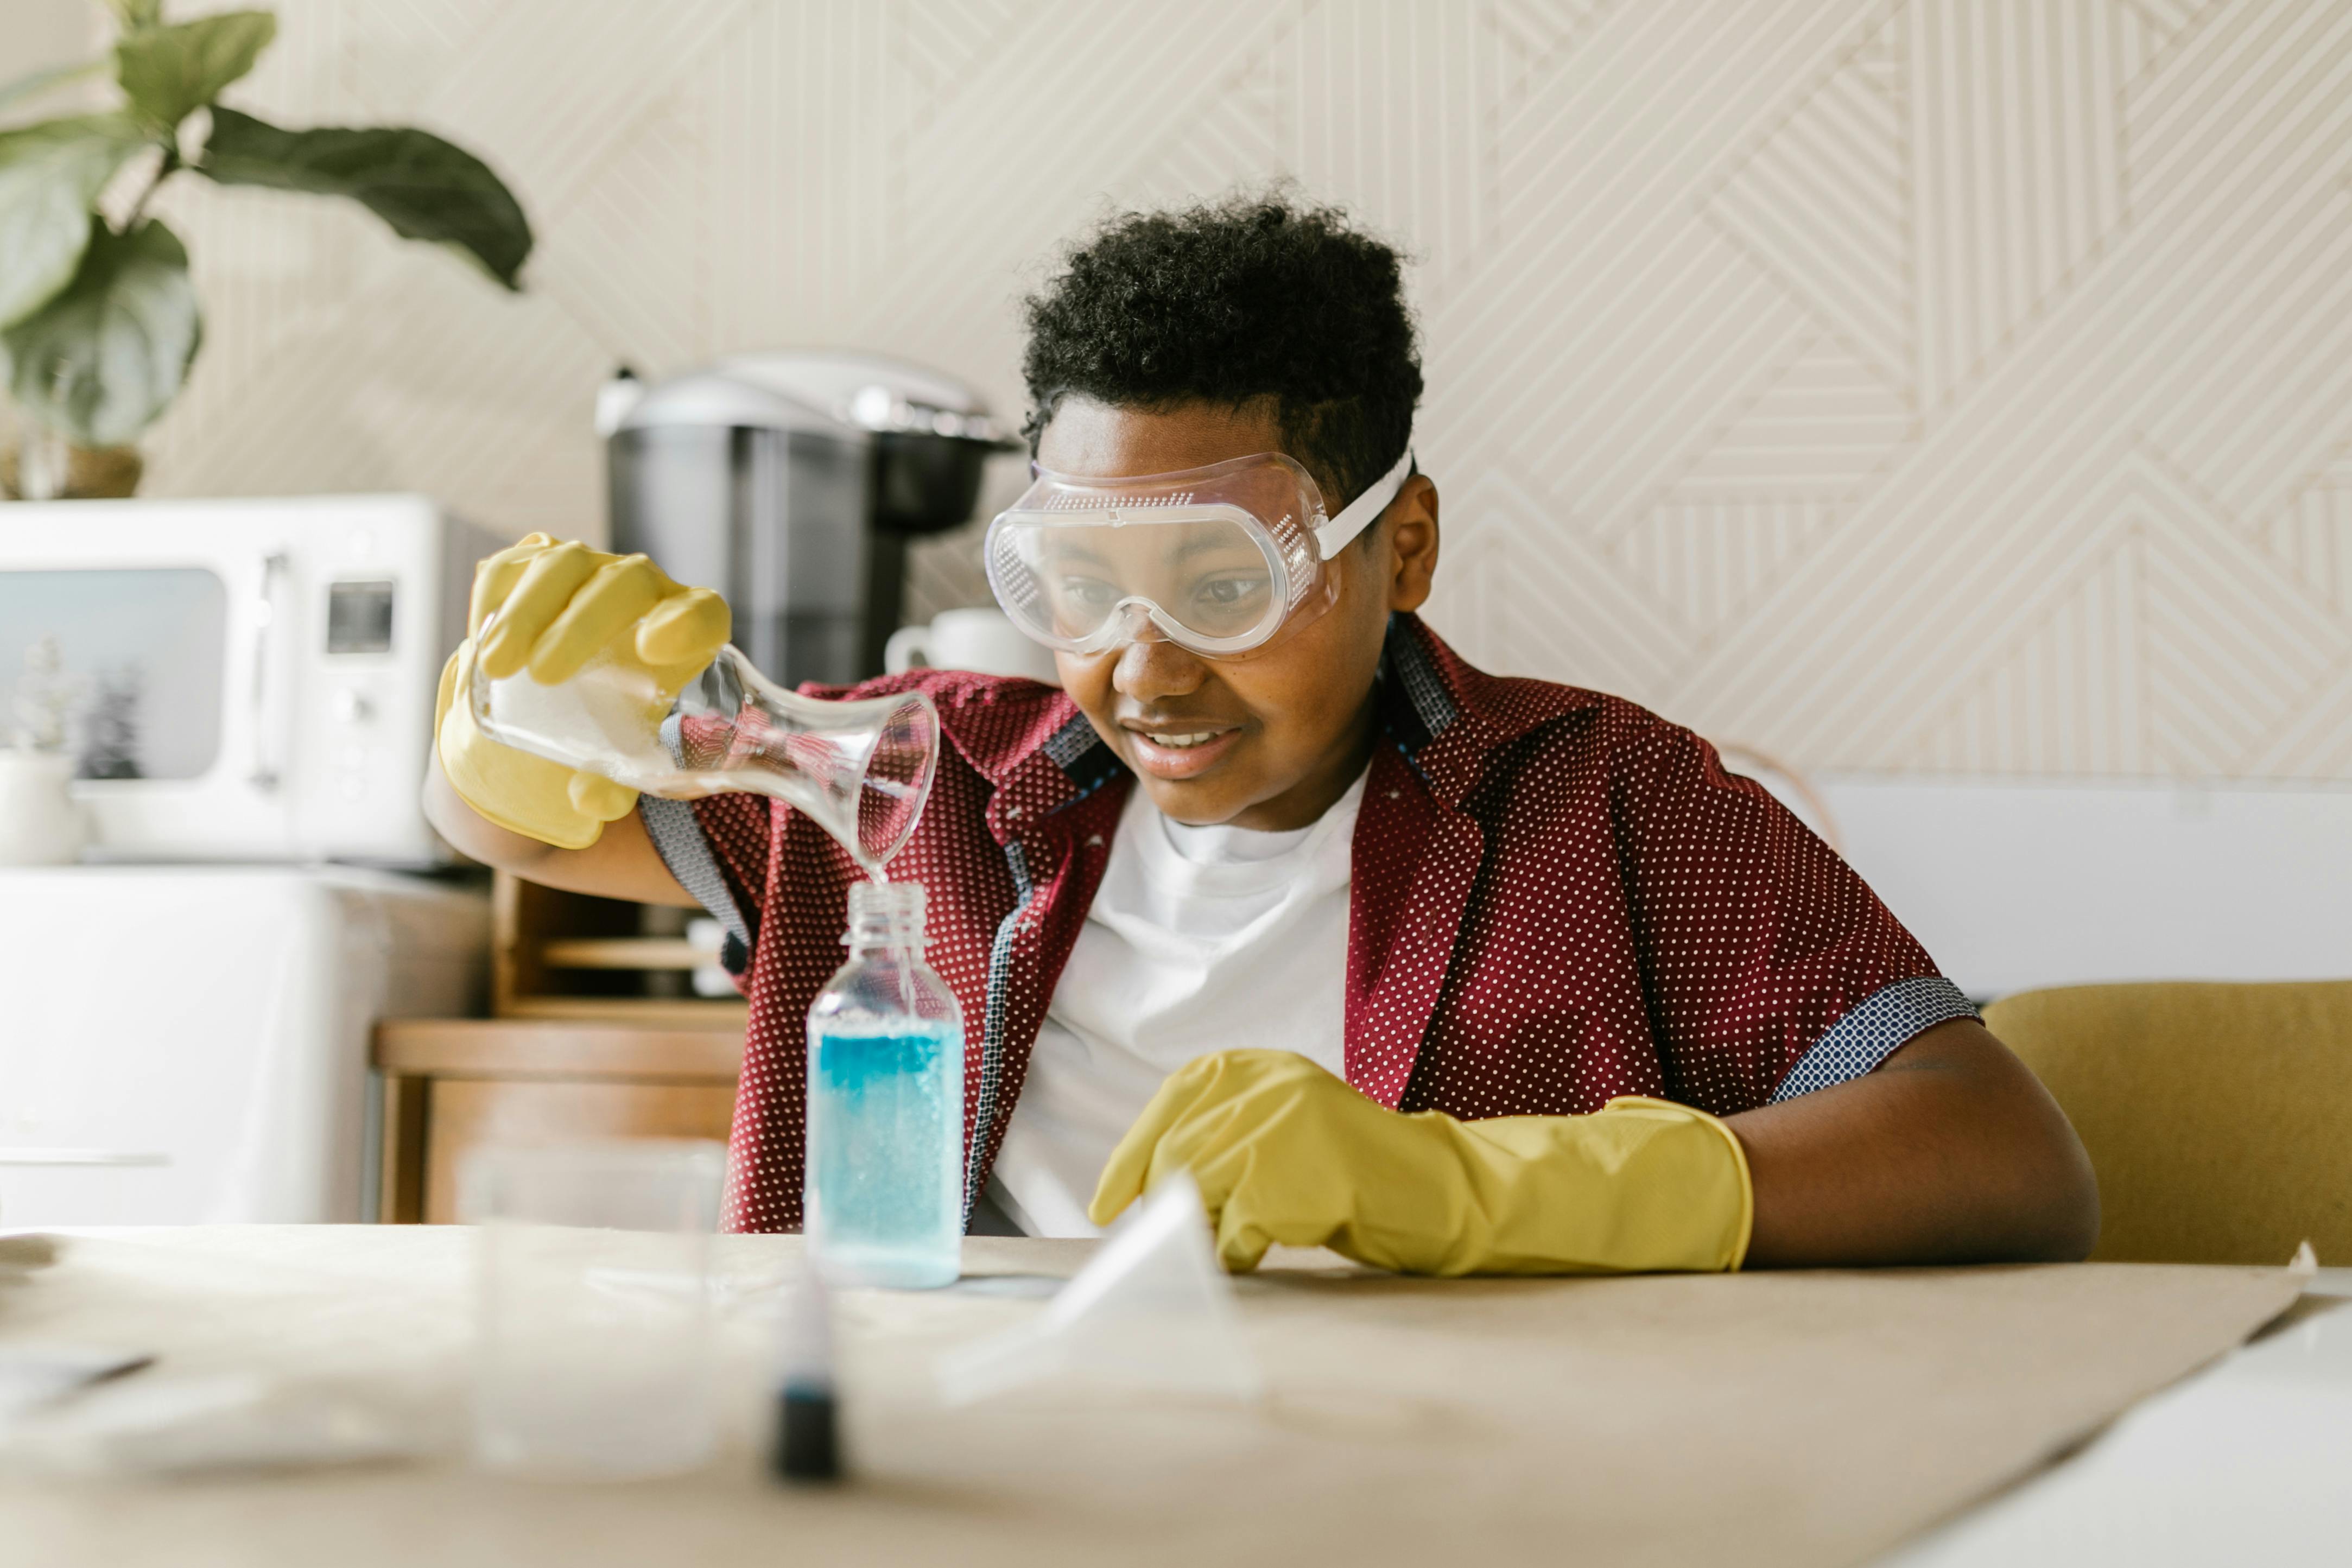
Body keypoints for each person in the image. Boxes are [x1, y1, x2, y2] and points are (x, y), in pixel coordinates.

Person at [427, 195, 2097, 1275]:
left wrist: (1479, 1188)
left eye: (1222, 582)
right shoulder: (921, 777)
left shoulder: (1604, 806)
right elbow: (518, 830)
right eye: (1080, 581)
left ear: (1403, 546)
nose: (1142, 668)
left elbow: (2005, 1153)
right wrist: (507, 716)